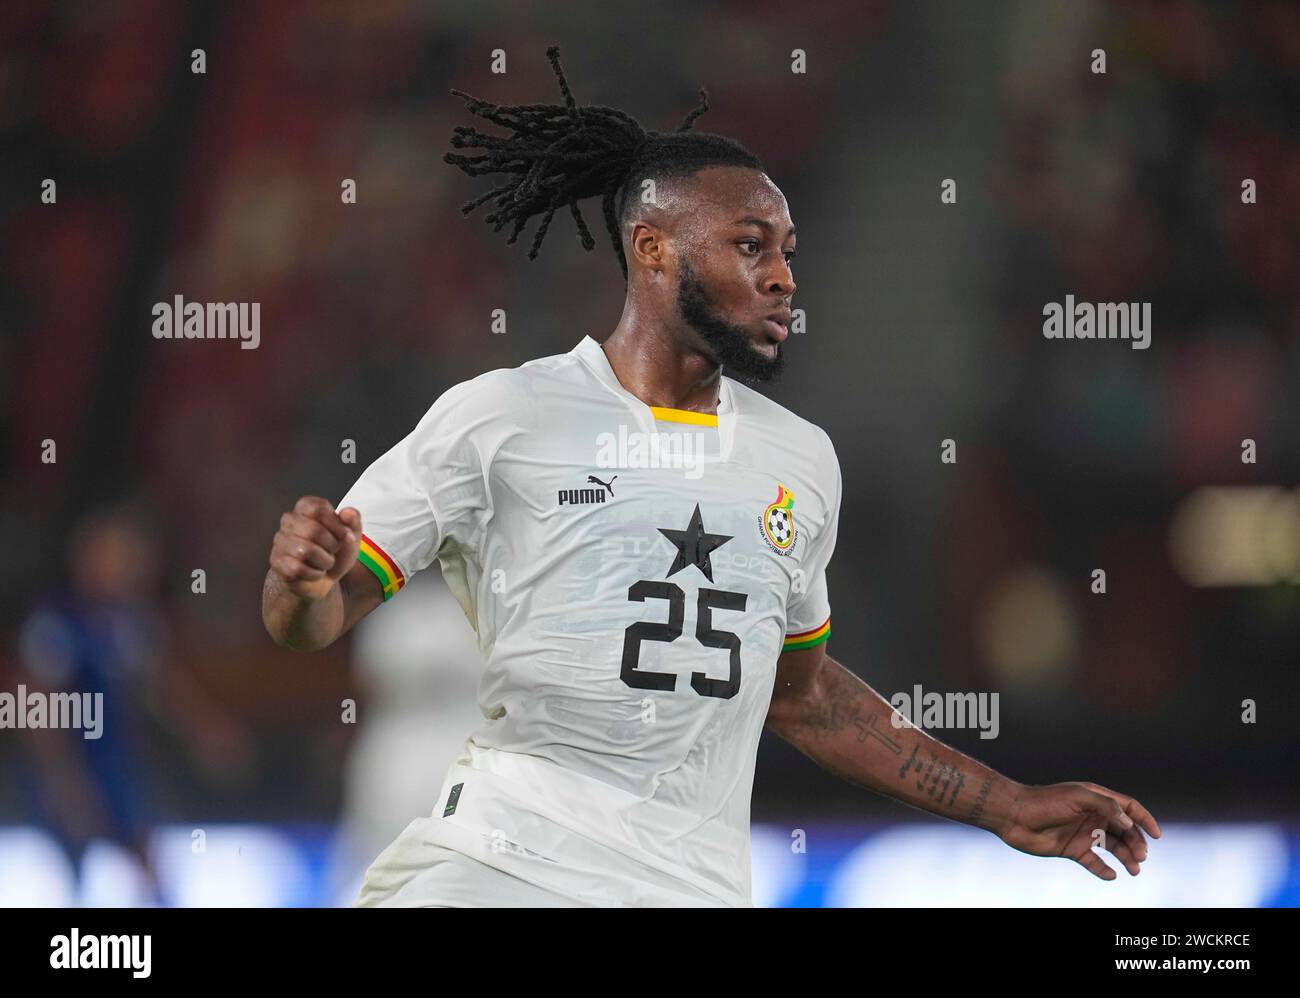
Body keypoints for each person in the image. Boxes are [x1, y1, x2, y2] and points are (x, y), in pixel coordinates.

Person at [261, 46, 1160, 907]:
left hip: (692, 891)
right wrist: (299, 581)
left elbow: (803, 696)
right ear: (653, 250)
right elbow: (311, 620)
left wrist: (1006, 804)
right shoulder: (502, 417)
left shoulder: (799, 460)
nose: (784, 280)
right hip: (504, 869)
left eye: (790, 252)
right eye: (751, 246)